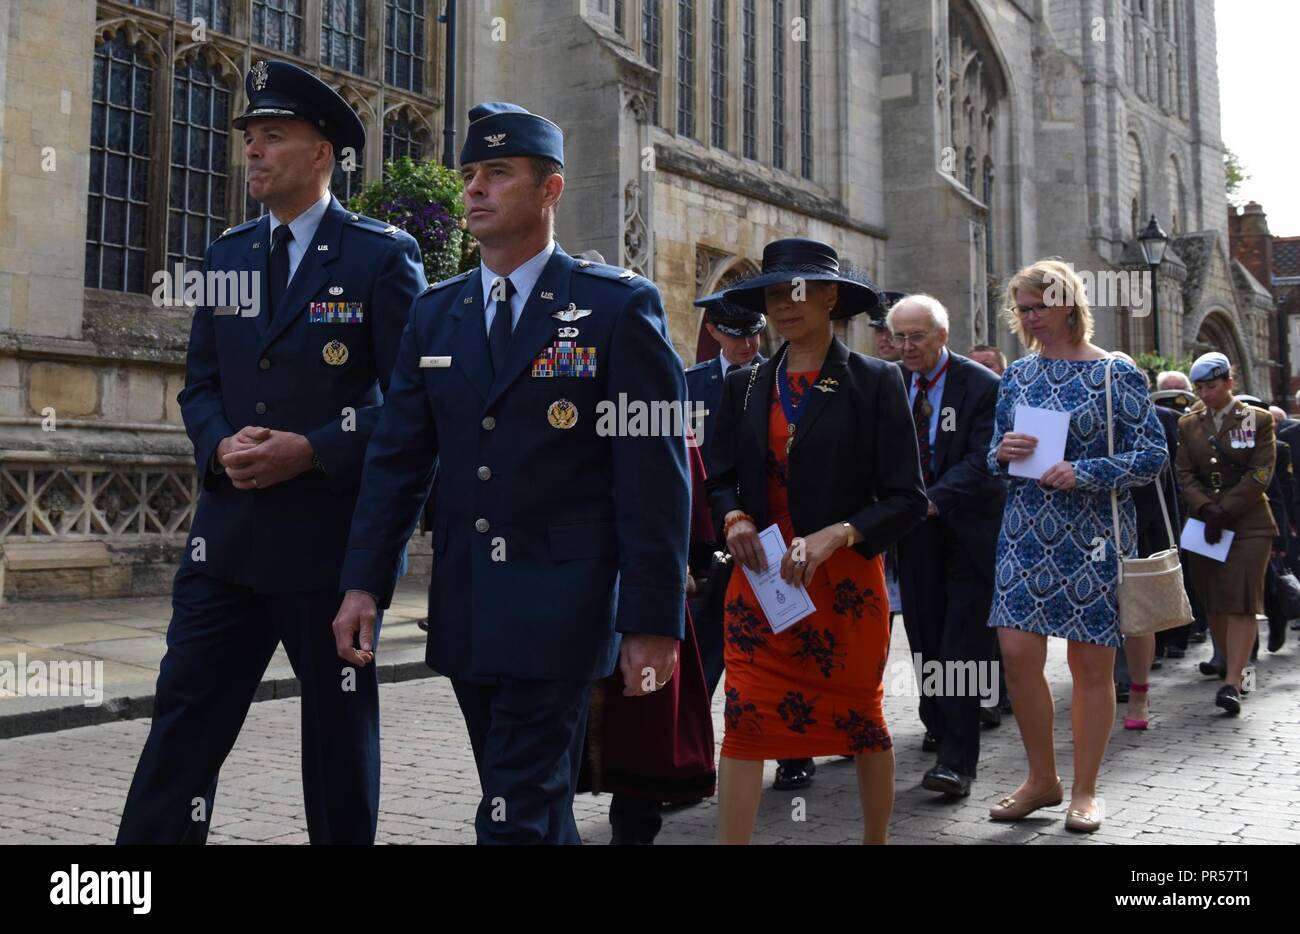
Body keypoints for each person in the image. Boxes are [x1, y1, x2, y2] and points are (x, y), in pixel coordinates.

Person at [331, 102, 691, 844]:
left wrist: (652, 620)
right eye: (468, 174)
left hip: (565, 606)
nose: (474, 189)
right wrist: (364, 581)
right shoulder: (437, 314)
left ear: (550, 189)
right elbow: (398, 460)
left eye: (497, 173)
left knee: (515, 811)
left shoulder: (614, 306)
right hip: (467, 603)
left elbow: (653, 478)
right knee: (527, 797)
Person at [116, 61, 427, 844]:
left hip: (327, 555)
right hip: (225, 545)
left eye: (272, 138)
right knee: (181, 727)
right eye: (249, 138)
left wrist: (314, 449)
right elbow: (200, 386)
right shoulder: (225, 256)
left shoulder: (378, 257)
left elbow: (408, 409)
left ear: (321, 153)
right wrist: (220, 446)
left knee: (337, 743)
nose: (253, 152)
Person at [707, 237, 928, 844]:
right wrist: (736, 521)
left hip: (845, 589)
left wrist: (840, 532)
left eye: (799, 291)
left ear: (831, 298)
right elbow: (718, 478)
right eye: (774, 293)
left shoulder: (876, 382)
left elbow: (907, 498)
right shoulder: (744, 386)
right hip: (760, 586)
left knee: (862, 721)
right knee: (745, 720)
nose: (784, 304)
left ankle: (875, 841)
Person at [987, 259, 1166, 834]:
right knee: (1016, 656)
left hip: (1093, 536)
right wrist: (1003, 452)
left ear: (1068, 304)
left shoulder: (1117, 373)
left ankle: (1086, 791)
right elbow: (994, 452)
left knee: (1090, 666)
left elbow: (1153, 454)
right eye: (1022, 308)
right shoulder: (1015, 375)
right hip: (1024, 530)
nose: (1029, 317)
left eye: (1038, 305)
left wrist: (1084, 471)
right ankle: (1042, 779)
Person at [889, 294, 1005, 797]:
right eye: (900, 337)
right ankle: (939, 723)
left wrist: (933, 500)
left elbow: (985, 458)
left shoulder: (981, 386)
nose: (908, 346)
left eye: (917, 336)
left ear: (942, 335)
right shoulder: (889, 383)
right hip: (913, 536)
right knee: (925, 638)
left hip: (967, 535)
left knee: (961, 647)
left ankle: (957, 762)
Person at [1175, 355, 1275, 715]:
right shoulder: (1189, 424)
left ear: (1229, 382)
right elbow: (1184, 474)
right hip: (1204, 521)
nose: (1206, 394)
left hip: (1248, 521)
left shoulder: (1256, 419)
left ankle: (1233, 682)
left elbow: (1261, 472)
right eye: (1199, 388)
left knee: (1241, 597)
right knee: (1213, 596)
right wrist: (1205, 508)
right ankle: (1224, 657)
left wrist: (1226, 509)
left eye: (1211, 386)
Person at [685, 295, 766, 700]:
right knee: (704, 645)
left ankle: (793, 758)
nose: (748, 345)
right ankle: (694, 745)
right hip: (707, 539)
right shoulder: (689, 385)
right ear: (713, 331)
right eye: (736, 336)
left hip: (766, 531)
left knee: (774, 643)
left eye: (755, 333)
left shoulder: (780, 379)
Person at [1107, 353, 1181, 731]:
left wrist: (1170, 539)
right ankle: (1104, 684)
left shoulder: (1161, 419)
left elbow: (1168, 485)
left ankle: (1139, 691)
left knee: (1137, 615)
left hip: (1143, 525)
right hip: (1096, 528)